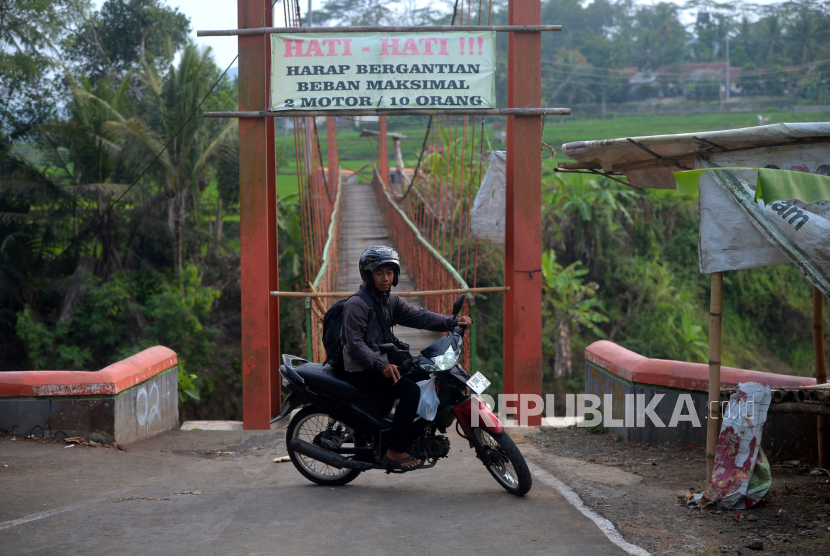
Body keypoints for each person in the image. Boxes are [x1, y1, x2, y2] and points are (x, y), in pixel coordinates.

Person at [341, 246, 472, 471]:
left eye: (390, 273)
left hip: (381, 362)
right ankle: (395, 450)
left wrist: (452, 322)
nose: (385, 278)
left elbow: (419, 317)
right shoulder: (357, 304)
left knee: (428, 372)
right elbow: (354, 346)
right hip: (361, 369)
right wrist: (381, 365)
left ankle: (416, 431)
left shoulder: (388, 301)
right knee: (410, 391)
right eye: (379, 273)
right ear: (368, 275)